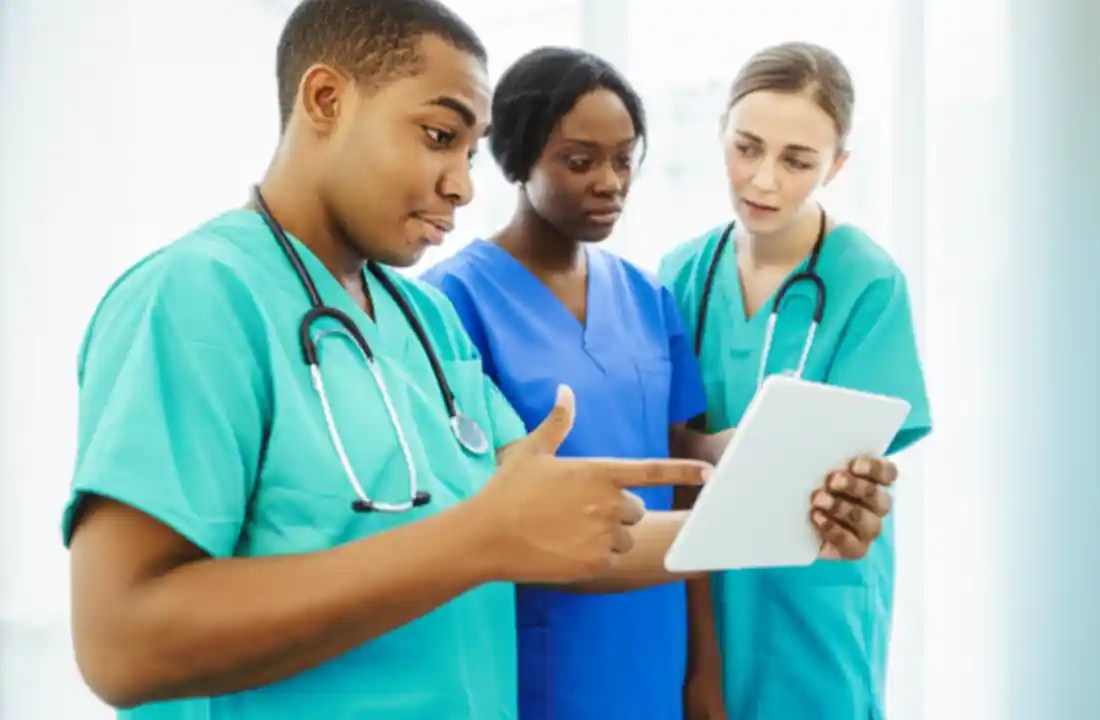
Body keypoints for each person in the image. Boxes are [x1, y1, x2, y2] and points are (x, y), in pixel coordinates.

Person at [61, 3, 712, 718]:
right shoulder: (196, 299)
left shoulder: (427, 322)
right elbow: (123, 644)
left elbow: (547, 533)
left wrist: (759, 528)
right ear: (326, 100)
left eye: (470, 153)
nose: (463, 185)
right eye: (439, 136)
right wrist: (473, 541)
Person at [421, 46, 903, 720]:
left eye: (625, 160)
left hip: (658, 638)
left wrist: (703, 669)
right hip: (544, 645)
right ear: (518, 158)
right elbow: (460, 512)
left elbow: (684, 471)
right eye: (580, 161)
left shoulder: (647, 296)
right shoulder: (448, 303)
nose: (610, 183)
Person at [659, 42, 933, 720]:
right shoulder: (682, 274)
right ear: (721, 131)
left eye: (797, 161)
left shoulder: (867, 282)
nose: (763, 181)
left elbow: (856, 470)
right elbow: (661, 442)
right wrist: (707, 451)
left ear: (837, 165)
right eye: (746, 148)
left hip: (817, 600)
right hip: (705, 601)